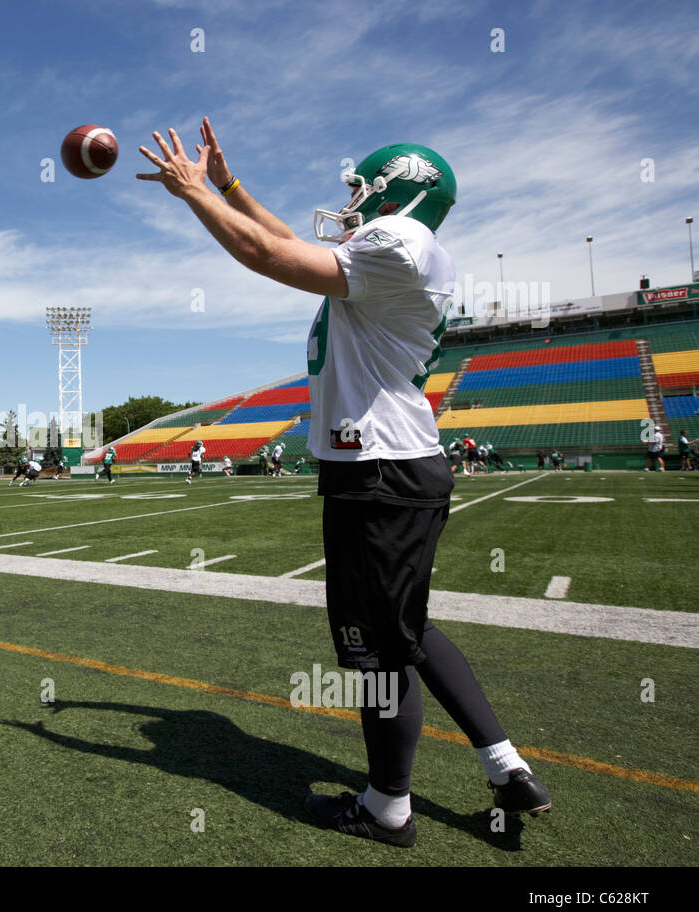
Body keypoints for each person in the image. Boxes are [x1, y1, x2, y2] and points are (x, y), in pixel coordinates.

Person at [139, 120, 549, 846]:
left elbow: (268, 253)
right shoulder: (398, 250)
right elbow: (290, 238)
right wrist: (230, 187)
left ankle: (387, 809)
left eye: (361, 188)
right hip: (392, 465)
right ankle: (503, 762)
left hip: (377, 471)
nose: (351, 200)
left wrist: (195, 193)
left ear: (399, 189)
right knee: (409, 630)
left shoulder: (403, 244)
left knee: (376, 654)